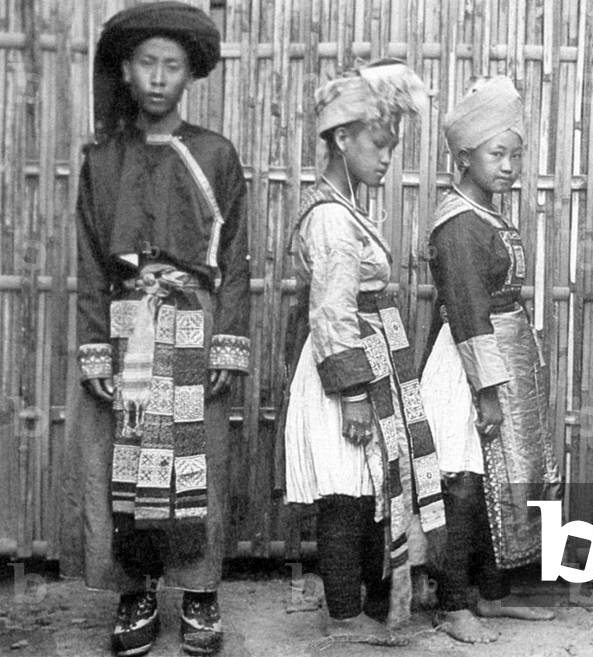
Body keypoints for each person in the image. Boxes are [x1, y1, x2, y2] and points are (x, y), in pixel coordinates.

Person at [74, 3, 250, 655]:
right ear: (125, 70)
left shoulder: (215, 154)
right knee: (122, 462)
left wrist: (227, 342)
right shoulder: (103, 161)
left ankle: (200, 591)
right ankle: (135, 590)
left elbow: (236, 259)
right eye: (146, 63)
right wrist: (96, 347)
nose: (157, 77)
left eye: (170, 65)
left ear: (189, 75)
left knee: (199, 459)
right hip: (126, 326)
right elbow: (90, 260)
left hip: (194, 323)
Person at [281, 59, 444, 645]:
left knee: (366, 487)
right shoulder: (331, 218)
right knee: (345, 493)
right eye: (378, 144)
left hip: (370, 361)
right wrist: (352, 393)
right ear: (342, 139)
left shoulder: (347, 209)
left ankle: (362, 606)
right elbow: (332, 310)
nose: (386, 158)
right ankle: (344, 617)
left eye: (392, 147)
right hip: (345, 371)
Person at [419, 76, 561, 644]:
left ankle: (492, 593)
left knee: (495, 482)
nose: (508, 166)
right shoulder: (458, 224)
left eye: (515, 155)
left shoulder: (486, 215)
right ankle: (454, 603)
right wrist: (486, 393)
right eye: (496, 154)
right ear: (463, 157)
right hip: (467, 366)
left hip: (498, 359)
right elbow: (468, 311)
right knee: (464, 481)